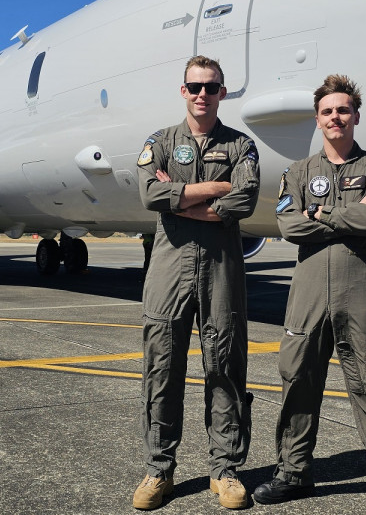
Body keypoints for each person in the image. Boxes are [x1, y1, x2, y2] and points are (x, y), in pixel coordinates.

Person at [255, 74, 366, 515]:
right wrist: (348, 214)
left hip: (360, 293)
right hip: (307, 294)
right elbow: (289, 225)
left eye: (343, 110)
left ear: (356, 115)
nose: (335, 117)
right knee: (297, 382)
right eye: (327, 111)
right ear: (317, 120)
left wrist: (319, 214)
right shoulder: (298, 171)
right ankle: (293, 473)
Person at [132, 55, 260, 510]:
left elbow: (245, 199)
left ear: (222, 92)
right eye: (195, 86)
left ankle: (224, 470)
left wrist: (181, 199)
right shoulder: (160, 142)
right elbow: (150, 193)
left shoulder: (241, 146)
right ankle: (159, 469)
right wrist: (215, 189)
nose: (202, 94)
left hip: (221, 271)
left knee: (225, 366)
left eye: (211, 87)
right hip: (170, 269)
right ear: (183, 91)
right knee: (162, 367)